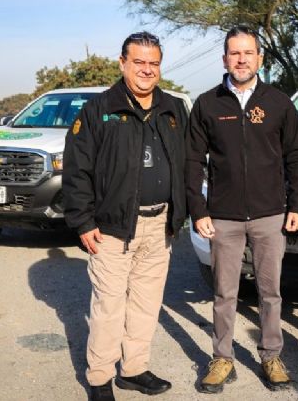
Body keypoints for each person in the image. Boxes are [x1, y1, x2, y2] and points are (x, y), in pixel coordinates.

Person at [62, 31, 189, 401]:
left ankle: (133, 369)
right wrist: (83, 221)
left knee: (147, 305)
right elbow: (76, 169)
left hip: (159, 224)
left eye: (154, 63)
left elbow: (188, 163)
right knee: (109, 307)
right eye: (139, 62)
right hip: (112, 227)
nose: (147, 70)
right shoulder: (99, 108)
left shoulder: (173, 109)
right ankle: (100, 379)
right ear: (122, 63)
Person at [185, 26, 298, 393]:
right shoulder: (208, 103)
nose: (241, 59)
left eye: (248, 53)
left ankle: (271, 355)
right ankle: (222, 358)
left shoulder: (278, 102)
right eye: (234, 54)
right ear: (225, 59)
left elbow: (297, 157)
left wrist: (297, 203)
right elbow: (192, 161)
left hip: (271, 215)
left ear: (260, 58)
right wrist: (199, 209)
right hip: (223, 216)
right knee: (225, 293)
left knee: (270, 292)